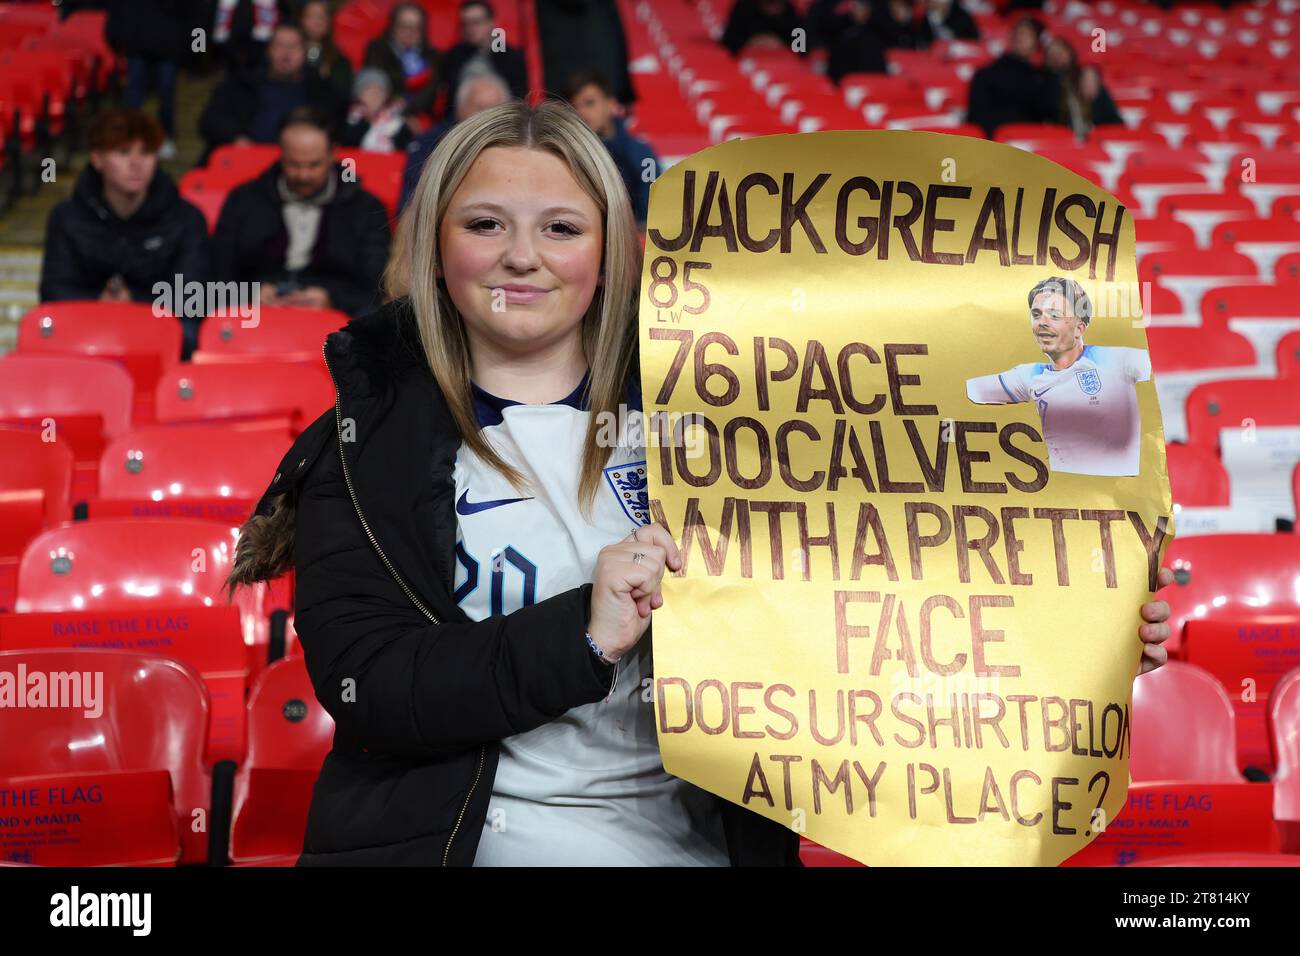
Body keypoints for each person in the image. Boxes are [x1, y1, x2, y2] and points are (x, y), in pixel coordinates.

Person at [225, 99, 1176, 866]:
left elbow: (869, 624)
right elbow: (374, 687)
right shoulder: (361, 443)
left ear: (612, 250)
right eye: (486, 225)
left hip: (702, 844)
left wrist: (1068, 642)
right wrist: (586, 632)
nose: (523, 257)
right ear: (437, 244)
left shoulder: (730, 422)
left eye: (561, 227)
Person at [39, 108, 209, 357]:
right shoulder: (66, 217)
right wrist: (100, 302)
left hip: (159, 326)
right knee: (43, 331)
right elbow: (53, 291)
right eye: (123, 152)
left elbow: (191, 297)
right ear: (97, 159)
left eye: (147, 153)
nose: (136, 164)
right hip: (85, 326)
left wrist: (134, 302)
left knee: (190, 333)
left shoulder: (187, 218)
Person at [211, 107, 391, 317]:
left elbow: (374, 286)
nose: (303, 175)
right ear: (281, 154)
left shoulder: (365, 207)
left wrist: (332, 298)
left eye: (314, 165)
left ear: (333, 153)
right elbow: (218, 273)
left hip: (337, 317)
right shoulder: (244, 199)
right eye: (293, 164)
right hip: (254, 312)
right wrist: (249, 295)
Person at [965, 277, 1152, 477]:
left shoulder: (1118, 359)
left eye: (1054, 315)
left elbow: (1175, 370)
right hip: (1064, 496)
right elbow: (962, 391)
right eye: (1036, 314)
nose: (1042, 322)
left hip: (1119, 497)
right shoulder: (1029, 376)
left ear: (1079, 328)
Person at [199, 23, 343, 160]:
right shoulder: (240, 84)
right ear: (269, 51)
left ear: (304, 52)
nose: (286, 54)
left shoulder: (322, 90)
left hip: (305, 164)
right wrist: (236, 138)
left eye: (293, 47)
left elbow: (340, 126)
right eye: (279, 46)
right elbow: (209, 122)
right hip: (245, 160)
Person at [398, 65, 511, 213]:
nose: (488, 118)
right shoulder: (430, 144)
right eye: (481, 108)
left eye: (496, 110)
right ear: (461, 110)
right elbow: (410, 208)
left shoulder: (519, 145)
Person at [566, 70, 659, 227]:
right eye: (575, 106)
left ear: (611, 104)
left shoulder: (641, 153)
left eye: (589, 103)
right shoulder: (565, 154)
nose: (581, 112)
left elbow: (652, 206)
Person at [106, 0, 186, 160]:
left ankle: (165, 136)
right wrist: (116, 35)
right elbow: (119, 9)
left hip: (167, 42)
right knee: (134, 92)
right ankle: (130, 137)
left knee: (166, 91)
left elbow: (185, 10)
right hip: (137, 41)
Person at [965, 16, 1053, 137]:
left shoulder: (1041, 77)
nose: (1021, 37)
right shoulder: (987, 74)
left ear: (1037, 42)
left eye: (1028, 34)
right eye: (1018, 33)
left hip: (1030, 141)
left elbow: (1046, 113)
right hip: (997, 143)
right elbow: (977, 117)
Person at [440, 1, 529, 112]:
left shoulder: (511, 56)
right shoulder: (454, 56)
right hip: (461, 119)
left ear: (492, 22)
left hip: (502, 117)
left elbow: (519, 97)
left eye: (476, 22)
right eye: (465, 24)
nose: (470, 28)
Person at [363, 2, 441, 122]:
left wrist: (408, 109)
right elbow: (376, 80)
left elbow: (430, 91)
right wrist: (395, 102)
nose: (410, 32)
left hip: (419, 115)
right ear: (393, 27)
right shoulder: (377, 49)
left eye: (416, 27)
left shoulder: (433, 56)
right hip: (382, 112)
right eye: (404, 26)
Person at [1042, 37, 1124, 138]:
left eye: (1061, 53)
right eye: (1053, 55)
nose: (1058, 58)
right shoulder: (1043, 85)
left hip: (1097, 138)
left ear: (1070, 53)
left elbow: (1115, 121)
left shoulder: (1088, 78)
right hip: (1062, 140)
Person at [341, 68, 413, 153]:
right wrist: (366, 121)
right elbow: (347, 148)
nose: (375, 95)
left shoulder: (398, 124)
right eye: (369, 90)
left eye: (380, 90)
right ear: (359, 95)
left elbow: (405, 149)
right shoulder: (350, 121)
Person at [299, 0, 354, 105]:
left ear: (329, 22)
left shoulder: (339, 59)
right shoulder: (290, 51)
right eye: (311, 16)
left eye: (322, 17)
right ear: (301, 20)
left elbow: (342, 94)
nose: (317, 22)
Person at [824, 1, 888, 84]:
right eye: (857, 8)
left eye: (864, 8)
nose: (861, 11)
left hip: (872, 77)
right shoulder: (839, 28)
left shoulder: (877, 30)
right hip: (843, 75)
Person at [721, 0, 806, 56]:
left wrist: (780, 45)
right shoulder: (742, 8)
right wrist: (752, 42)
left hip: (783, 66)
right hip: (746, 64)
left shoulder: (792, 12)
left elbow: (802, 48)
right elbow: (727, 43)